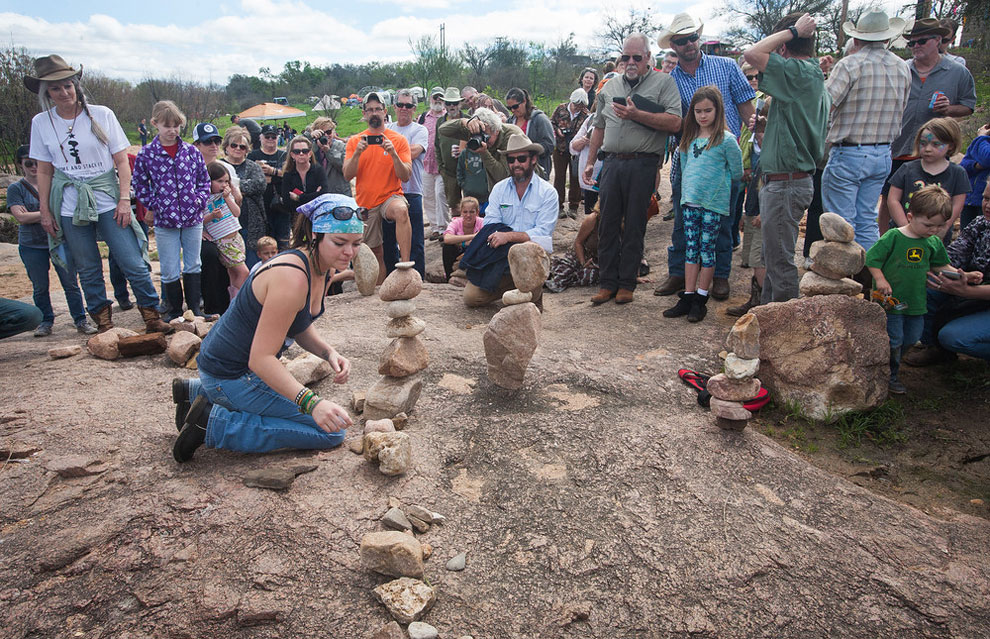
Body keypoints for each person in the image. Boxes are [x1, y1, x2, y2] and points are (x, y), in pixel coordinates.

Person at [171, 195, 364, 463]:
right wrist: (312, 403)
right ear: (314, 235)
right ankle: (211, 424)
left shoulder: (324, 266)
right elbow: (260, 360)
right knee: (330, 433)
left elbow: (298, 325)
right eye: (340, 243)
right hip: (233, 374)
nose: (349, 252)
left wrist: (327, 352)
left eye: (356, 244)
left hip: (230, 366)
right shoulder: (292, 278)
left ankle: (196, 392)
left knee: (320, 417)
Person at [24, 54, 171, 334]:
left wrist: (124, 199)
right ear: (47, 93)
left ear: (76, 85)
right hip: (69, 201)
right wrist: (45, 210)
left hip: (106, 196)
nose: (64, 92)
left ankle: (152, 315)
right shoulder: (42, 122)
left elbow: (121, 161)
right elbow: (44, 171)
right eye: (56, 88)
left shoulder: (101, 114)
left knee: (131, 259)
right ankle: (103, 322)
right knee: (87, 265)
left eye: (68, 85)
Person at [654, 13, 756, 301]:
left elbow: (747, 109)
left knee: (723, 220)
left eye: (692, 37)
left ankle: (720, 277)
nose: (689, 43)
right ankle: (679, 274)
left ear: (698, 38)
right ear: (673, 45)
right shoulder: (670, 81)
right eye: (682, 40)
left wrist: (753, 150)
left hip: (725, 157)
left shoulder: (726, 67)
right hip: (691, 160)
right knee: (682, 221)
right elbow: (672, 122)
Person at [585, 33, 683, 306]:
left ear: (648, 58)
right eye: (625, 57)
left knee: (634, 224)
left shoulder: (664, 83)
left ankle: (626, 284)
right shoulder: (609, 86)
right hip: (612, 163)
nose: (630, 62)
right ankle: (607, 284)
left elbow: (675, 123)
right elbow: (600, 127)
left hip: (643, 163)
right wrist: (592, 161)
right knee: (607, 222)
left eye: (636, 57)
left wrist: (636, 114)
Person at [743, 13, 829, 304]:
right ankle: (769, 318)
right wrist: (769, 122)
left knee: (779, 264)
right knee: (773, 258)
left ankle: (784, 326)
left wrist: (791, 30)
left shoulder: (799, 72)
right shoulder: (810, 74)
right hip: (789, 179)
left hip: (787, 182)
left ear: (783, 48)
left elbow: (752, 53)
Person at [820, 12, 910, 253]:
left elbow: (824, 105)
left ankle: (846, 281)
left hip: (850, 151)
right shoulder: (902, 67)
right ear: (887, 39)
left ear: (857, 40)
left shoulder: (850, 65)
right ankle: (870, 280)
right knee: (867, 221)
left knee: (841, 223)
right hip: (882, 152)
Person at [880, 18, 976, 236]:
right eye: (912, 43)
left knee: (934, 201)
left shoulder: (957, 72)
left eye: (921, 41)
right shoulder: (901, 69)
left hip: (935, 149)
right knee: (889, 196)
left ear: (938, 40)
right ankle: (886, 240)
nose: (916, 47)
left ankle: (933, 241)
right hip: (898, 146)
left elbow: (969, 106)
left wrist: (949, 109)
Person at [662, 87, 743, 323]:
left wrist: (718, 186)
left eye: (708, 110)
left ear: (718, 110)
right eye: (698, 111)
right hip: (691, 202)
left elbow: (736, 171)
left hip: (713, 204)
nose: (703, 116)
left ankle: (701, 296)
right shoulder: (689, 139)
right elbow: (686, 170)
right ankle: (687, 295)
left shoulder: (726, 140)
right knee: (691, 248)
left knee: (707, 249)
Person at [866, 184, 956, 394]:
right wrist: (880, 279)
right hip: (891, 300)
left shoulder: (932, 242)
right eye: (928, 225)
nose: (933, 230)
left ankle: (891, 366)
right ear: (910, 216)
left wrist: (963, 275)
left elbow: (941, 264)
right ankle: (890, 376)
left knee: (911, 337)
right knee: (895, 338)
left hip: (916, 301)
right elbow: (872, 259)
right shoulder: (894, 237)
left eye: (939, 226)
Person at [132, 100, 211, 320]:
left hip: (192, 217)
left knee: (193, 262)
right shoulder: (147, 154)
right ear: (155, 124)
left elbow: (203, 181)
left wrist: (199, 200)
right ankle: (175, 309)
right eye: (167, 126)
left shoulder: (191, 152)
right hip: (165, 220)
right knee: (169, 267)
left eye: (176, 126)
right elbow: (138, 184)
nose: (172, 131)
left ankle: (194, 308)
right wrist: (155, 205)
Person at [459, 134, 557, 309]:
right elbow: (490, 226)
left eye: (521, 158)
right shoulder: (499, 189)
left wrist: (509, 236)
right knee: (471, 298)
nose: (516, 164)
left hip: (531, 257)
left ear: (533, 159)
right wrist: (505, 238)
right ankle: (516, 289)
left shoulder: (548, 192)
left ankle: (531, 290)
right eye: (511, 159)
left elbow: (543, 233)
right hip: (500, 256)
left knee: (528, 294)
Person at [7, 144, 96, 336]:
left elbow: (67, 210)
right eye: (29, 163)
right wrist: (48, 213)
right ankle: (45, 321)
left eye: (38, 162)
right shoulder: (16, 189)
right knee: (40, 286)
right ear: (21, 164)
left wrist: (35, 214)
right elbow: (20, 218)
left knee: (70, 282)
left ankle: (80, 319)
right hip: (31, 245)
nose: (34, 167)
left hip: (59, 240)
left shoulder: (56, 182)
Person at [904, 181, 990, 366]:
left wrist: (965, 291)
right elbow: (952, 257)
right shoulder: (980, 224)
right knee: (925, 286)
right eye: (985, 198)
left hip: (975, 294)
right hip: (971, 289)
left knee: (953, 337)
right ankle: (934, 348)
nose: (988, 205)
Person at [343, 92, 413, 283]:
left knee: (401, 211)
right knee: (376, 254)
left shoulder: (397, 140)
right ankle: (378, 294)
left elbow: (405, 175)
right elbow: (347, 174)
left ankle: (406, 265)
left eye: (378, 109)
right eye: (370, 110)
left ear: (385, 112)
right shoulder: (355, 141)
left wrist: (393, 154)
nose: (374, 113)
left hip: (390, 196)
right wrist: (357, 153)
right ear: (364, 113)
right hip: (366, 201)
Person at [886, 118, 969, 242]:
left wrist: (944, 227)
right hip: (902, 234)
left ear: (950, 145)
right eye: (923, 143)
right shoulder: (907, 169)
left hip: (936, 236)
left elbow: (957, 204)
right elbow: (893, 199)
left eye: (936, 144)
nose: (928, 149)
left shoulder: (958, 173)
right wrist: (905, 228)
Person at [192, 122, 235, 316]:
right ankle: (211, 307)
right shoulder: (190, 169)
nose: (213, 145)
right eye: (207, 141)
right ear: (197, 145)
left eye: (216, 140)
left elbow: (238, 200)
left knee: (229, 263)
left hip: (225, 224)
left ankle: (229, 306)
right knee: (209, 256)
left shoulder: (226, 168)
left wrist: (229, 192)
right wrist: (199, 228)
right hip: (201, 225)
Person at [387, 89, 428, 277]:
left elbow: (413, 152)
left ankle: (418, 279)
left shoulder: (420, 130)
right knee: (389, 240)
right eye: (401, 105)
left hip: (412, 191)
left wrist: (390, 151)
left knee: (416, 241)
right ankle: (392, 278)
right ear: (394, 107)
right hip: (388, 193)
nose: (404, 109)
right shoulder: (387, 129)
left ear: (414, 108)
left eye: (408, 105)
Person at [437, 107, 525, 194]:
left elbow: (502, 176)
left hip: (522, 186)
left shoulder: (512, 135)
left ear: (497, 131)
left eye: (486, 137)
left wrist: (484, 153)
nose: (483, 141)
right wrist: (464, 122)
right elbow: (442, 130)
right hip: (499, 191)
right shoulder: (476, 132)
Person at [221, 127, 267, 269]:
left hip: (251, 223)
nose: (238, 149)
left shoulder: (253, 167)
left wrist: (234, 185)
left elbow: (259, 185)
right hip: (224, 224)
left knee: (251, 265)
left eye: (242, 146)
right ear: (226, 147)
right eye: (234, 145)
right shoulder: (219, 166)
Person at [203, 161, 250, 299]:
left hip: (236, 237)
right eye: (219, 181)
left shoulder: (226, 196)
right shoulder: (204, 199)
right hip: (223, 241)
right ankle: (239, 300)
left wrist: (228, 198)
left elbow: (237, 213)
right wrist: (212, 216)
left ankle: (232, 300)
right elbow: (198, 220)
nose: (224, 185)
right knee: (243, 272)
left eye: (226, 181)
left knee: (233, 272)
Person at [550, 88, 590, 219]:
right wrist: (557, 131)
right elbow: (551, 122)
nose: (577, 108)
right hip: (560, 149)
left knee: (575, 179)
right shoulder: (560, 109)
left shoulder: (586, 115)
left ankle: (573, 206)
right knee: (559, 178)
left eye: (580, 106)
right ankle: (558, 206)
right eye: (576, 105)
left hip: (577, 152)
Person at [249, 124, 289, 250]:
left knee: (283, 243)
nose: (271, 139)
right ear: (261, 138)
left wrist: (273, 173)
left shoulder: (285, 155)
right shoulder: (253, 156)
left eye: (274, 137)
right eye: (267, 137)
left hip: (281, 205)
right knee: (263, 244)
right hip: (260, 205)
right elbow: (249, 178)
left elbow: (291, 176)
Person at [419, 87, 450, 239]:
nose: (437, 100)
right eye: (435, 97)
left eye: (440, 98)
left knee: (440, 195)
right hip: (426, 164)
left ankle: (444, 228)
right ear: (430, 99)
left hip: (442, 165)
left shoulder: (447, 117)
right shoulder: (423, 117)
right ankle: (434, 227)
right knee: (429, 197)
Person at [546, 209, 601, 293]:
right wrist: (583, 263)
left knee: (592, 276)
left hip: (600, 261)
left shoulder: (621, 221)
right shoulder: (593, 219)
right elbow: (578, 243)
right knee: (562, 273)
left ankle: (570, 277)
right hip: (582, 255)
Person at [505, 88, 554, 178]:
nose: (512, 110)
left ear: (524, 101)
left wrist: (530, 151)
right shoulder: (509, 121)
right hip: (516, 171)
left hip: (537, 170)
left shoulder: (540, 119)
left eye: (515, 106)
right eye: (509, 108)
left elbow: (549, 145)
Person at [281, 136, 330, 220]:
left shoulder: (318, 170)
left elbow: (324, 195)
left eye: (305, 151)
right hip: (296, 216)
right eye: (297, 151)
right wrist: (314, 195)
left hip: (317, 215)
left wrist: (299, 198)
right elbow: (286, 201)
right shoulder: (288, 174)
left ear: (310, 153)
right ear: (292, 155)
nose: (301, 154)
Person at [435, 87, 467, 215]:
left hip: (468, 170)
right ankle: (457, 231)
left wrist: (464, 150)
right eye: (448, 103)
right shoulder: (440, 122)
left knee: (471, 203)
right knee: (454, 205)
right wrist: (441, 168)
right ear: (444, 104)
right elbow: (436, 146)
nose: (452, 106)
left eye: (455, 103)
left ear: (460, 104)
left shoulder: (469, 119)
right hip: (449, 172)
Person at [442, 196, 485, 279]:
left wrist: (460, 241)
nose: (468, 215)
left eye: (472, 212)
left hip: (475, 253)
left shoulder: (482, 222)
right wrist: (473, 237)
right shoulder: (456, 222)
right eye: (465, 212)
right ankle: (449, 276)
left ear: (477, 212)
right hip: (459, 251)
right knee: (447, 247)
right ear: (461, 212)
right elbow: (447, 238)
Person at [308, 117, 351, 197]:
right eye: (322, 134)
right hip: (319, 194)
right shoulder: (311, 149)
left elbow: (346, 169)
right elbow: (292, 152)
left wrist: (329, 152)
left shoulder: (342, 147)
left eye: (329, 132)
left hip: (340, 194)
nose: (326, 136)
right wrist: (309, 137)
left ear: (334, 132)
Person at [569, 112, 602, 216]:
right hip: (590, 179)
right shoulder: (591, 119)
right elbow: (573, 147)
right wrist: (583, 141)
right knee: (590, 213)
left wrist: (596, 141)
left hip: (607, 175)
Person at [960, 124, 990, 231]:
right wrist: (976, 166)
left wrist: (981, 137)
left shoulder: (981, 141)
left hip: (985, 201)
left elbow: (987, 158)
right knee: (965, 238)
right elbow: (963, 166)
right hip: (970, 200)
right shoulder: (979, 143)